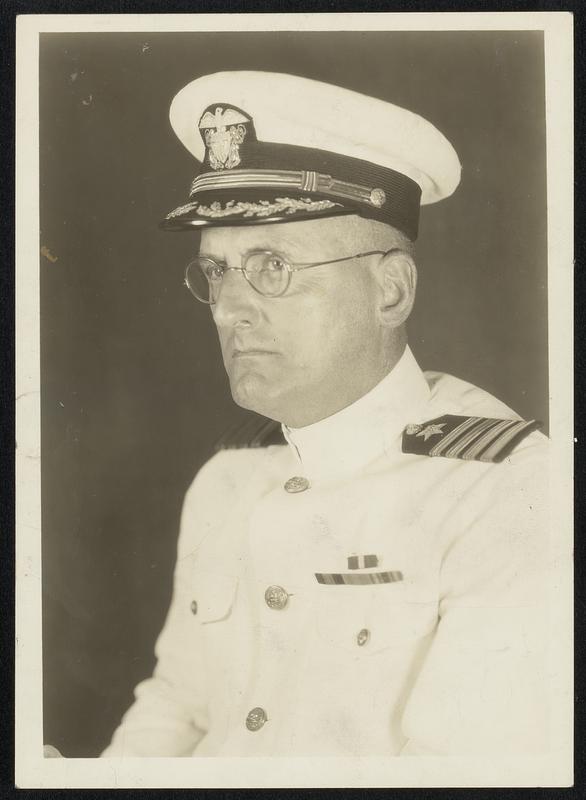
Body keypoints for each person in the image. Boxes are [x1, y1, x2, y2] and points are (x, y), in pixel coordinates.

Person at [102, 71, 548, 757]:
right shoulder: (227, 479)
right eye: (216, 271)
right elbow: (178, 709)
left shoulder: (505, 493)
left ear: (391, 290)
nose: (228, 307)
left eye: (272, 264)